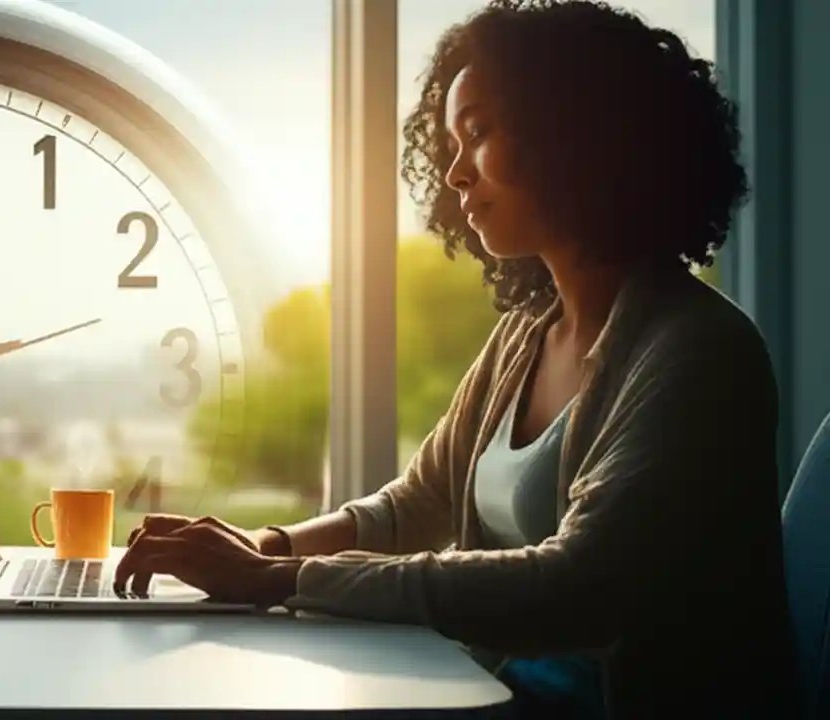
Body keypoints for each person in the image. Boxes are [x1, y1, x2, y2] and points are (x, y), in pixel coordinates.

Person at [112, 1, 800, 718]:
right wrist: (267, 545)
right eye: (449, 144)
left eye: (477, 134)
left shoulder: (700, 352)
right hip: (494, 693)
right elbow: (419, 504)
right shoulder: (527, 334)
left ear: (573, 131)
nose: (454, 176)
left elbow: (579, 585)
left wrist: (280, 578)